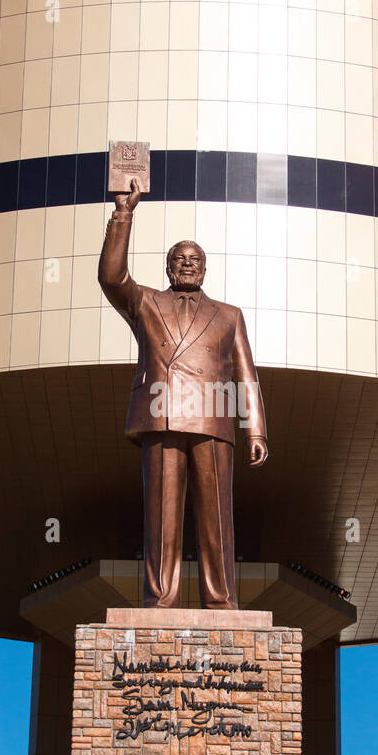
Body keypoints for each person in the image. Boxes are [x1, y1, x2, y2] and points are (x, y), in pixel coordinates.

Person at [98, 178, 267, 608]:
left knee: (216, 519)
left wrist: (256, 431)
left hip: (213, 419)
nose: (187, 265)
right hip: (163, 415)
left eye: (194, 260)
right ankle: (159, 599)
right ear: (168, 267)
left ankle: (221, 599)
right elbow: (112, 276)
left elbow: (246, 376)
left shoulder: (229, 315)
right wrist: (124, 213)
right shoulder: (147, 303)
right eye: (179, 259)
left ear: (205, 269)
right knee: (162, 517)